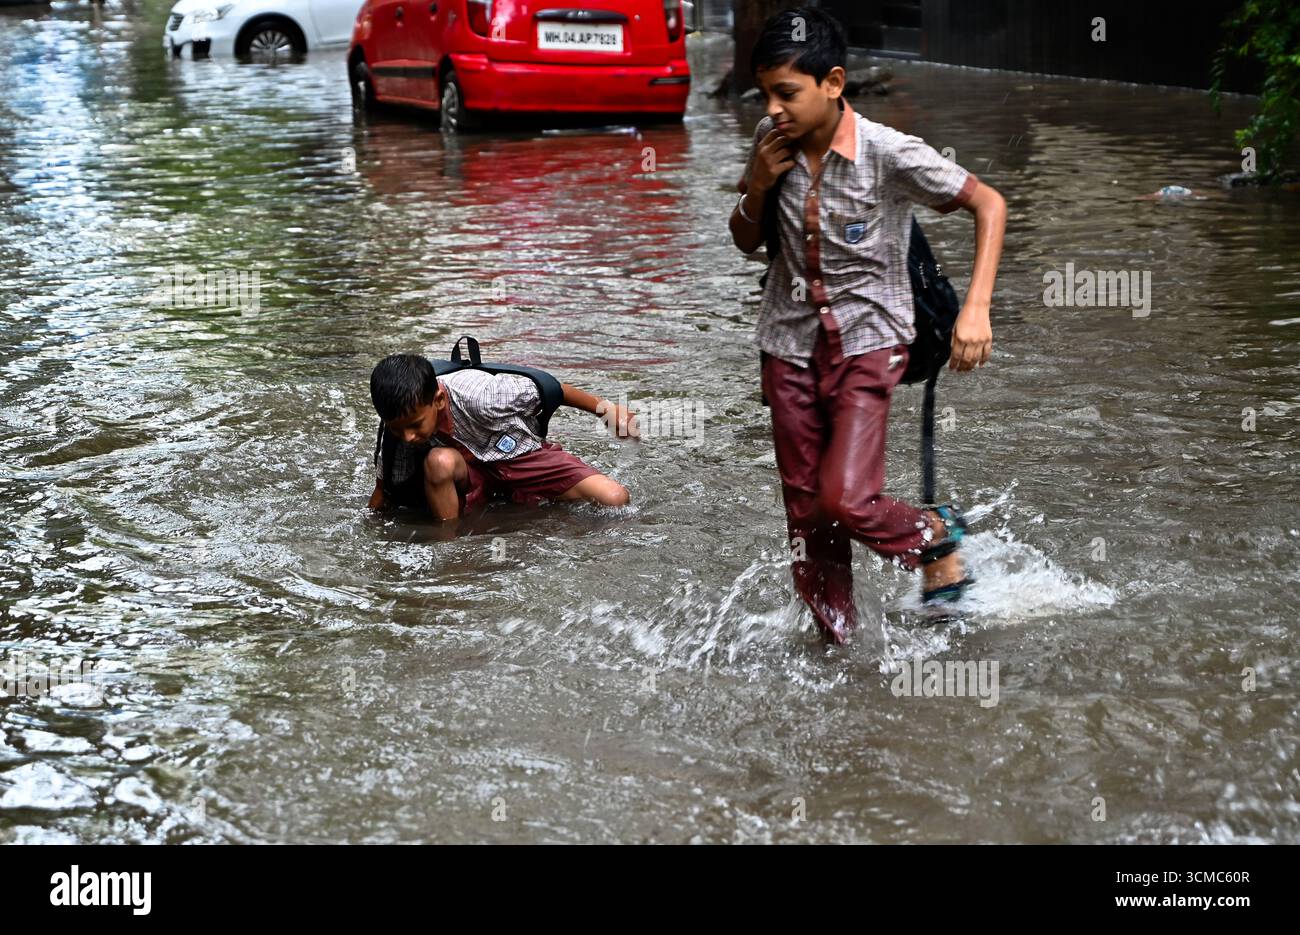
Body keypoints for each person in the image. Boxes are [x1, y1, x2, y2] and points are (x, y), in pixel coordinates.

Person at [728, 8, 1007, 642]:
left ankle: (934, 536)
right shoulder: (770, 146)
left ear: (832, 82)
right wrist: (759, 187)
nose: (773, 109)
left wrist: (977, 308)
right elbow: (745, 238)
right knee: (806, 516)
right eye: (765, 93)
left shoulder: (888, 152)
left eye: (787, 93)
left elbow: (989, 203)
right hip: (788, 347)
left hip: (869, 341)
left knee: (846, 501)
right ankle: (837, 644)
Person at [367, 352, 637, 523]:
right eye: (397, 429)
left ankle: (520, 497)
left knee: (614, 498)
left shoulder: (485, 396)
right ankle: (449, 540)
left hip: (520, 456)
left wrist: (608, 410)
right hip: (469, 472)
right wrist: (369, 525)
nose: (408, 436)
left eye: (415, 425)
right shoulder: (399, 425)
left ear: (438, 400)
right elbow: (385, 489)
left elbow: (553, 389)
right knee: (438, 461)